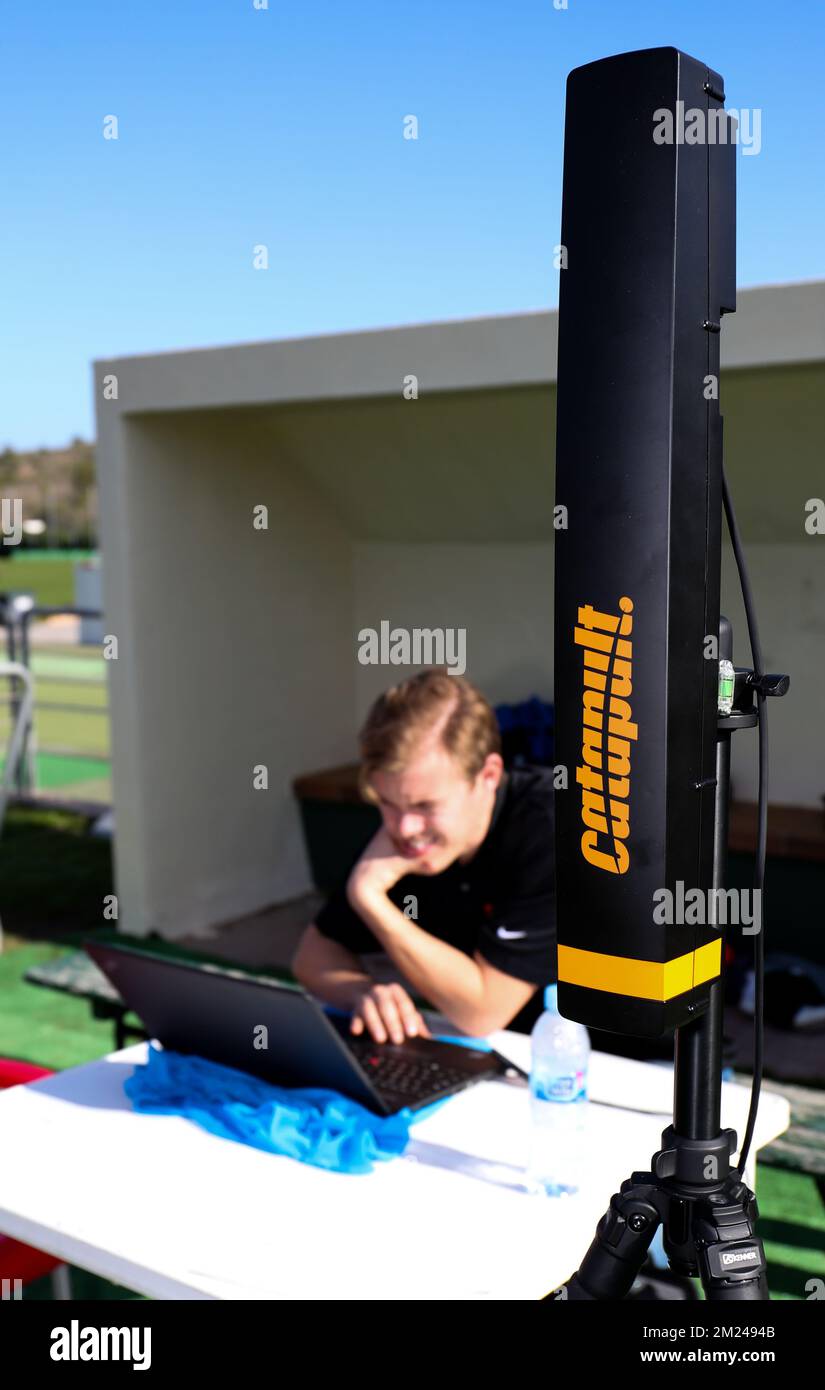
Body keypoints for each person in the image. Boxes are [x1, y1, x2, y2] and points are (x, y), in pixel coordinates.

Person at [291, 669, 557, 1043]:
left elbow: (482, 1012)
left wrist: (370, 901)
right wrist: (360, 991)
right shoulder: (412, 832)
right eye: (386, 802)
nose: (404, 828)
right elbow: (312, 956)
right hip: (507, 1050)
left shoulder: (548, 831)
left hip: (618, 1062)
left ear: (489, 776)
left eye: (425, 805)